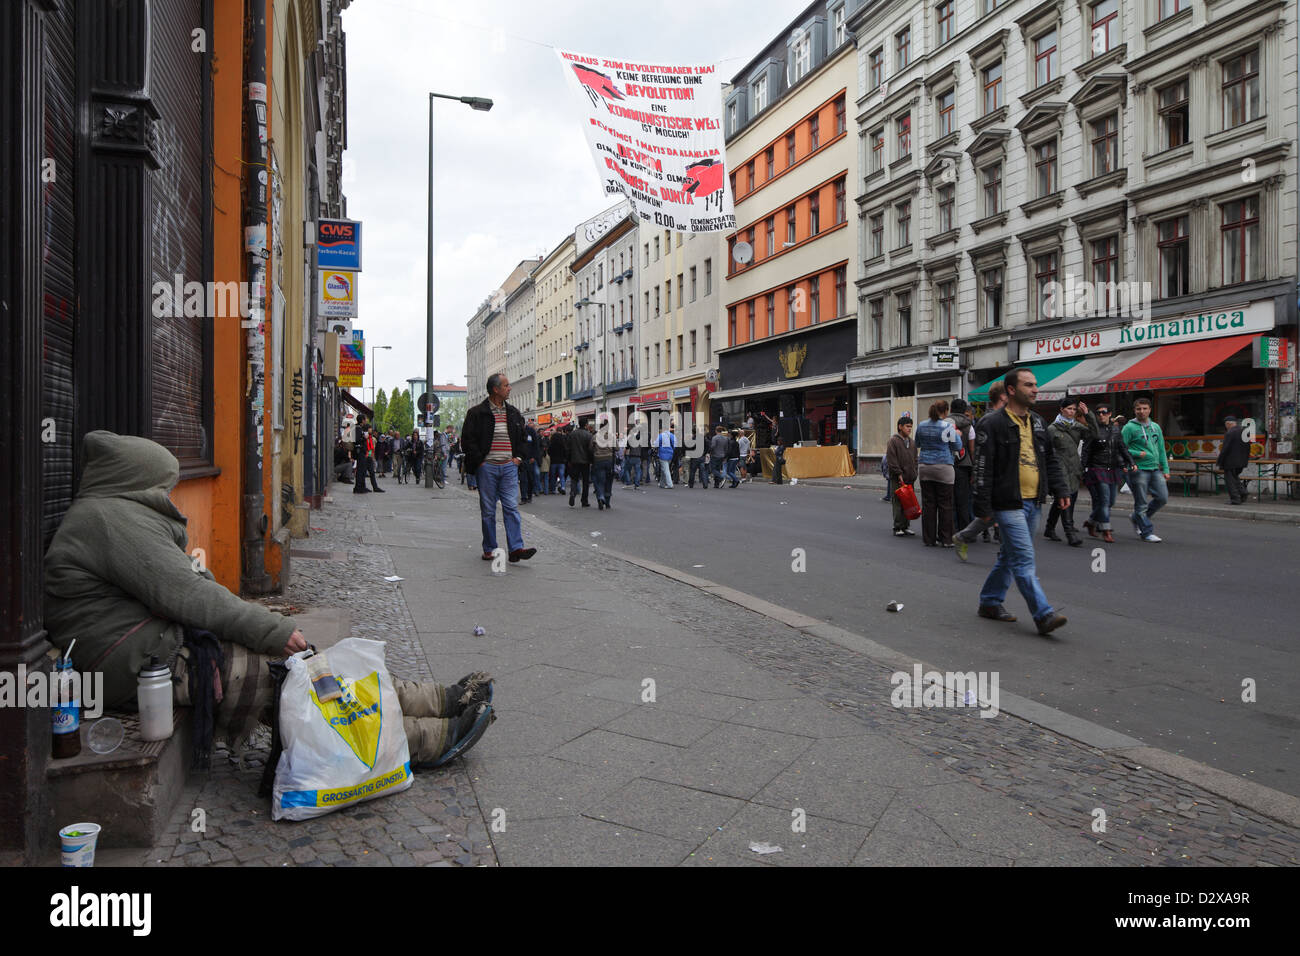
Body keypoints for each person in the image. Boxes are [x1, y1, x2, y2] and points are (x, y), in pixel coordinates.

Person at [969, 367, 1069, 636]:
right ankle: (1043, 614)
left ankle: (990, 602)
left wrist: (1061, 490)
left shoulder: (1037, 422)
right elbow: (982, 467)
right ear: (1011, 390)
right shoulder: (992, 423)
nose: (1035, 389)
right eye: (1028, 385)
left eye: (1035, 385)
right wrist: (983, 507)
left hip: (1033, 500)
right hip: (1007, 502)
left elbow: (1049, 459)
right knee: (1024, 559)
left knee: (1008, 556)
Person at [460, 373, 536, 562]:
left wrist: (518, 458)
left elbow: (522, 439)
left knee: (511, 507)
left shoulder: (513, 413)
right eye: (506, 385)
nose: (510, 388)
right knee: (488, 510)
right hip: (488, 467)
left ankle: (516, 548)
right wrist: (480, 461)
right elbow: (468, 441)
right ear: (496, 389)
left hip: (509, 467)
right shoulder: (477, 413)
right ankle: (490, 548)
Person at [1044, 397, 1098, 547]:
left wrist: (1088, 415)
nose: (1071, 412)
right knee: (1065, 497)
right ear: (1061, 409)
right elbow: (1046, 453)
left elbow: (1094, 434)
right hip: (1059, 469)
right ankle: (1070, 534)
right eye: (1069, 409)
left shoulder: (1076, 427)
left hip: (1074, 468)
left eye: (1074, 409)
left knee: (1062, 500)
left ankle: (1049, 528)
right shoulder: (1052, 429)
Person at [1080, 403, 1135, 543]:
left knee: (1110, 501)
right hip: (1097, 469)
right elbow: (1085, 451)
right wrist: (1083, 469)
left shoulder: (1116, 430)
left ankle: (1091, 522)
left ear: (1110, 414)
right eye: (1098, 413)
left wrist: (1131, 462)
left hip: (1113, 469)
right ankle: (1106, 530)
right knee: (1104, 500)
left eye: (1104, 412)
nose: (1101, 415)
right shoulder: (1093, 430)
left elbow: (1122, 448)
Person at [1123, 397, 1169, 542]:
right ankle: (1146, 532)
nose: (1141, 411)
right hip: (1138, 469)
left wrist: (1166, 468)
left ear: (1149, 410)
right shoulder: (1129, 428)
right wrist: (1137, 453)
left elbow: (1161, 448)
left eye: (1144, 408)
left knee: (1162, 498)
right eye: (1138, 409)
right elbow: (1122, 448)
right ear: (1134, 410)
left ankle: (1138, 517)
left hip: (1155, 468)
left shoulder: (1155, 427)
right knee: (1141, 502)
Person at [916, 401, 962, 547]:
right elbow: (957, 446)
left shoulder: (921, 425)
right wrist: (958, 435)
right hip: (943, 466)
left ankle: (928, 539)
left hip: (924, 467)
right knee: (945, 504)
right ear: (946, 411)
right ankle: (946, 539)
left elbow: (917, 443)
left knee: (929, 504)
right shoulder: (947, 426)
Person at [885, 416, 918, 537]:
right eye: (907, 426)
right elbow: (892, 459)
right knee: (898, 501)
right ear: (900, 427)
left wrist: (915, 472)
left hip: (910, 477)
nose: (909, 429)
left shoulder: (912, 442)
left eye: (911, 427)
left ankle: (906, 525)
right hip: (897, 477)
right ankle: (897, 526)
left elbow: (915, 459)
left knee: (908, 502)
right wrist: (898, 474)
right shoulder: (893, 441)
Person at [950, 399, 975, 530]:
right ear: (964, 410)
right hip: (964, 466)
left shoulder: (944, 423)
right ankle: (964, 530)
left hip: (947, 464)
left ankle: (950, 528)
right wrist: (974, 470)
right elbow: (972, 450)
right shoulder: (969, 426)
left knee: (950, 499)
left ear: (950, 409)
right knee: (963, 500)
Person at [1216, 415, 1251, 505]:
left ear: (1228, 424)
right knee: (1235, 478)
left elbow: (1225, 449)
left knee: (1230, 481)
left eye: (1226, 425)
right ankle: (1243, 492)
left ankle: (1235, 499)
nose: (1226, 427)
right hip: (1242, 461)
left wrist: (1220, 461)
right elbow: (1248, 447)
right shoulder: (1245, 431)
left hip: (1230, 461)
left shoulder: (1230, 433)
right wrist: (1245, 460)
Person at [353, 418, 384, 494]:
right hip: (365, 456)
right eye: (370, 428)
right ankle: (362, 487)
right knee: (363, 472)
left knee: (371, 473)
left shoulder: (370, 437)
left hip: (369, 456)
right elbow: (365, 446)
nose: (371, 430)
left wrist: (372, 455)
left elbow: (371, 447)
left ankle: (374, 487)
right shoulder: (365, 435)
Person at [568, 421, 594, 507]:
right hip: (585, 461)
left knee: (574, 479)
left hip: (574, 460)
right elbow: (590, 449)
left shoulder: (572, 434)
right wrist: (591, 460)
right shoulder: (588, 435)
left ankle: (572, 492)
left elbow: (568, 448)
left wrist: (569, 460)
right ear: (586, 425)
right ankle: (584, 500)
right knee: (585, 482)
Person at [592, 425, 615, 510]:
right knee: (608, 481)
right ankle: (608, 502)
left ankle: (600, 497)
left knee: (600, 481)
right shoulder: (611, 436)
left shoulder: (595, 436)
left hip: (598, 460)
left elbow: (590, 448)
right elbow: (616, 448)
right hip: (609, 459)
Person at [520, 419, 540, 503]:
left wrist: (533, 457)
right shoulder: (518, 431)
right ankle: (523, 497)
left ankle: (529, 496)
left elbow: (536, 444)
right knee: (522, 479)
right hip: (521, 459)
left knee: (530, 478)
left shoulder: (531, 431)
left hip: (530, 459)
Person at [656, 421, 678, 489]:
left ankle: (670, 484)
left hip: (662, 454)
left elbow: (656, 443)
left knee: (666, 470)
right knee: (664, 469)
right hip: (670, 454)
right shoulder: (672, 435)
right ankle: (662, 484)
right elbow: (675, 444)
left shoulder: (661, 435)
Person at [548, 425, 568, 495]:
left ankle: (553, 489)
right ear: (561, 431)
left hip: (553, 461)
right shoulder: (563, 439)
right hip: (561, 461)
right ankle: (562, 487)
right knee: (561, 475)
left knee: (553, 476)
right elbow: (565, 450)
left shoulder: (552, 440)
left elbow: (549, 450)